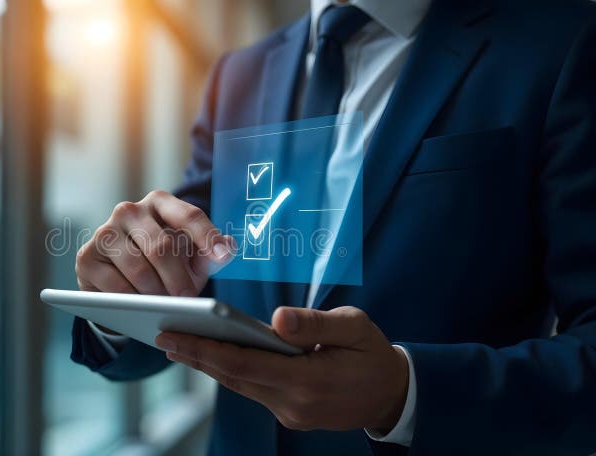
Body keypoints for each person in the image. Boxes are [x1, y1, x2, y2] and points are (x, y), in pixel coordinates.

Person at [71, 0, 596, 454]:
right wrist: (121, 294)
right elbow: (184, 283)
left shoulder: (560, 44)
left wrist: (406, 393)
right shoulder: (238, 75)